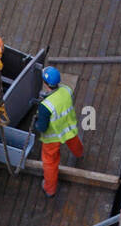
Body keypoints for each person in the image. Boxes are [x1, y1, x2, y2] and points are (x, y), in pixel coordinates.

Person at [34, 65, 85, 197]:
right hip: (68, 127)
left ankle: (49, 189)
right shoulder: (67, 90)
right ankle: (79, 154)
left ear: (45, 84)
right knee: (74, 141)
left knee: (50, 162)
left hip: (53, 137)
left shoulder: (45, 106)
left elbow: (42, 127)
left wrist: (36, 124)